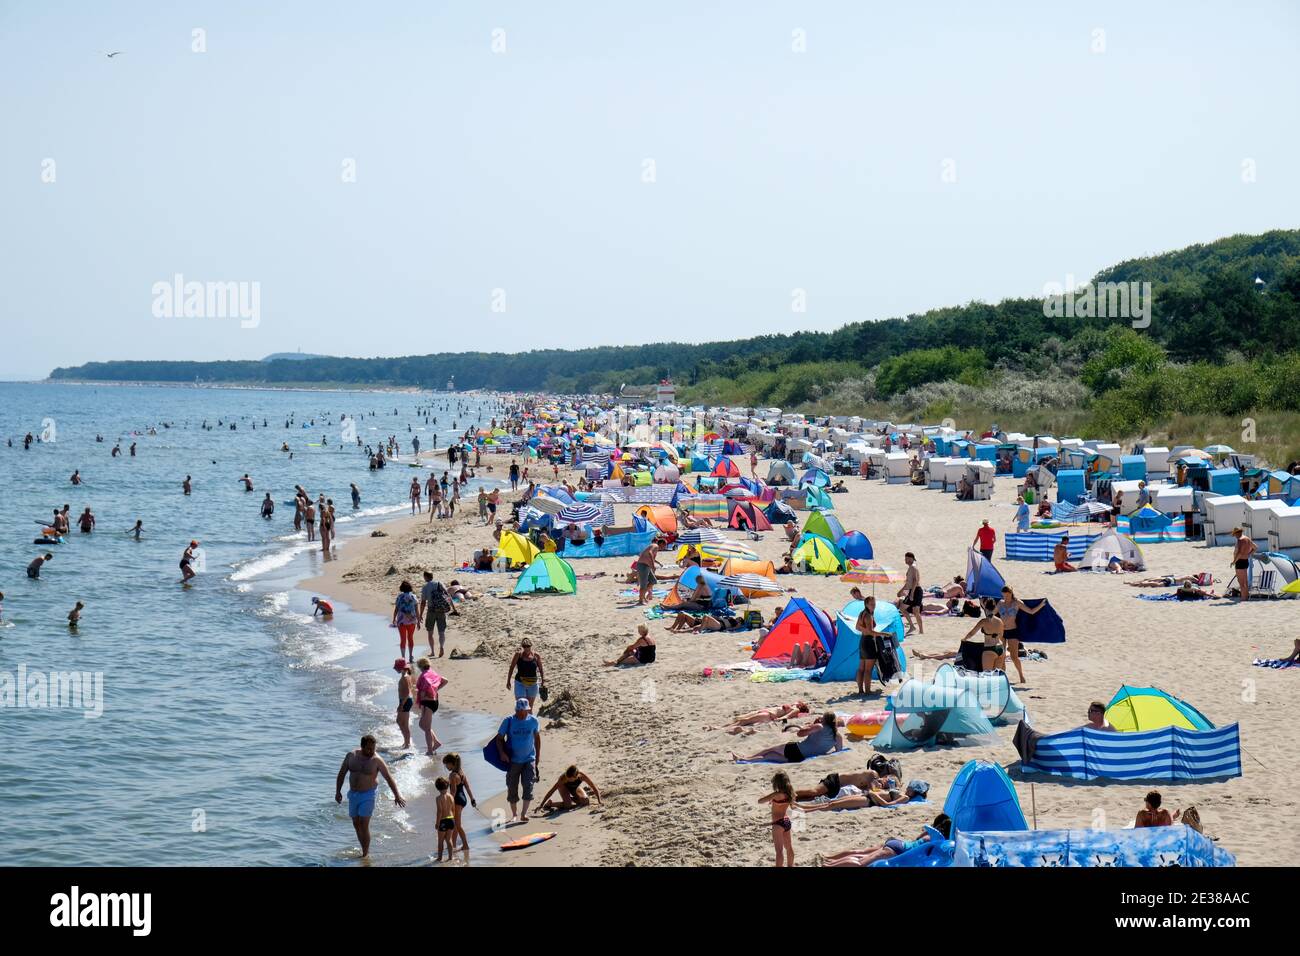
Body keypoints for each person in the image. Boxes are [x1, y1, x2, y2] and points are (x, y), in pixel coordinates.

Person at [334, 734, 406, 858]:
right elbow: (341, 774)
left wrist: (397, 795)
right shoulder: (351, 756)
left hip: (369, 794)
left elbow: (388, 778)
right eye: (368, 749)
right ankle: (363, 848)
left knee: (364, 822)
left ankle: (365, 854)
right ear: (362, 746)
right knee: (356, 823)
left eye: (373, 748)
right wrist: (338, 791)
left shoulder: (376, 760)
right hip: (353, 794)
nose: (371, 751)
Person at [820, 814, 952, 867]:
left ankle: (829, 859)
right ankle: (828, 866)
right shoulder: (938, 841)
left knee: (860, 853)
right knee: (861, 864)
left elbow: (918, 838)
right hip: (896, 851)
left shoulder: (928, 835)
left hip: (897, 843)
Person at [731, 711, 842, 764]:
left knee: (770, 749)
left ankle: (746, 758)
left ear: (824, 719)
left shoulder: (819, 726)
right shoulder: (838, 736)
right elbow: (838, 751)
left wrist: (811, 725)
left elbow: (800, 734)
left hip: (797, 749)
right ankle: (746, 760)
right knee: (770, 756)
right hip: (801, 758)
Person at [495, 698, 541, 823]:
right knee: (512, 787)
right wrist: (502, 753)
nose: (525, 713)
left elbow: (537, 738)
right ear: (517, 710)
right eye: (522, 711)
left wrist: (537, 758)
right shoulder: (508, 721)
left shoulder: (533, 721)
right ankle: (514, 814)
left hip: (529, 759)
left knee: (528, 786)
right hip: (513, 760)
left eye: (526, 710)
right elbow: (499, 739)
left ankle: (523, 814)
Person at [995, 585, 1042, 684]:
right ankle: (1003, 677)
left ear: (1011, 594)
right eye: (1003, 595)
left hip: (1013, 631)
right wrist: (983, 604)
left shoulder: (1017, 603)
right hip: (1002, 632)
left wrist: (1041, 604)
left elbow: (1031, 611)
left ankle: (1021, 675)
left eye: (1007, 595)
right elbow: (991, 613)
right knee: (1002, 655)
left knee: (1014, 657)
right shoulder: (1000, 603)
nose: (1005, 597)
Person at [798, 779, 929, 812]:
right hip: (867, 796)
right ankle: (805, 807)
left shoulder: (905, 798)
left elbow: (887, 805)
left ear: (914, 791)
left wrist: (874, 794)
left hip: (869, 801)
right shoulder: (903, 793)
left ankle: (805, 810)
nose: (908, 788)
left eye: (910, 787)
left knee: (833, 804)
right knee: (833, 802)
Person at [442, 753, 476, 860]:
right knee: (456, 824)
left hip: (456, 800)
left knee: (457, 824)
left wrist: (448, 803)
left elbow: (453, 791)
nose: (446, 766)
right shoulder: (461, 772)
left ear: (451, 764)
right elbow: (468, 787)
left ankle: (465, 844)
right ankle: (454, 845)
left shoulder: (452, 775)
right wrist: (472, 799)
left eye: (446, 764)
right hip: (463, 799)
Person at [854, 595, 890, 696]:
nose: (873, 606)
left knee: (861, 668)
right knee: (868, 670)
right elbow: (870, 632)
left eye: (874, 604)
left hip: (862, 641)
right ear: (866, 604)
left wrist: (865, 630)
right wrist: (884, 634)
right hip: (869, 642)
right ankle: (868, 691)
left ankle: (860, 690)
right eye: (871, 604)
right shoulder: (868, 616)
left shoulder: (862, 613)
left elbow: (857, 627)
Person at [759, 772, 797, 867]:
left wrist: (769, 797)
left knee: (779, 851)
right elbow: (792, 806)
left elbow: (760, 801)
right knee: (789, 848)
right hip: (786, 821)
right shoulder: (790, 793)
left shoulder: (776, 794)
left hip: (777, 823)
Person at [705, 702, 809, 733]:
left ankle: (719, 729)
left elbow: (787, 716)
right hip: (765, 711)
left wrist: (778, 719)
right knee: (740, 719)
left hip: (768, 715)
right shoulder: (794, 705)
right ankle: (720, 727)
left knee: (743, 721)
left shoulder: (796, 710)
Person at [961, 597, 1004, 672]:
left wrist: (964, 639)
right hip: (1000, 648)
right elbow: (1001, 635)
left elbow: (972, 633)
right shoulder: (1000, 621)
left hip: (989, 649)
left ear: (985, 608)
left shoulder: (983, 621)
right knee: (996, 676)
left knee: (987, 675)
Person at [415, 656, 447, 755]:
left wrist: (425, 694)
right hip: (433, 701)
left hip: (428, 702)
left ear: (420, 667)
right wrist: (435, 690)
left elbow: (426, 687)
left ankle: (430, 750)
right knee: (422, 725)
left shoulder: (424, 676)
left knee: (427, 728)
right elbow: (445, 680)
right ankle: (436, 742)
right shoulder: (433, 673)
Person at [538, 765, 603, 811]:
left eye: (569, 779)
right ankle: (550, 804)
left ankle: (569, 799)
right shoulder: (563, 779)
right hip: (563, 787)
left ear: (576, 776)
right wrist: (541, 804)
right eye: (567, 778)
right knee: (568, 806)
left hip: (575, 787)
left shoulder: (582, 776)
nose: (567, 780)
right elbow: (551, 791)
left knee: (585, 801)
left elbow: (593, 787)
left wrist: (599, 801)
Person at [419, 571, 451, 657]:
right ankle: (441, 647)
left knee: (430, 633)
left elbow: (423, 602)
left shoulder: (425, 587)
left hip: (431, 610)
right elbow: (447, 595)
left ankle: (432, 652)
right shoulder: (439, 583)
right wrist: (453, 608)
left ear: (425, 577)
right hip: (441, 610)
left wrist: (420, 615)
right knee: (441, 632)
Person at [506, 638, 545, 708]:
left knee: (529, 708)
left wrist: (543, 680)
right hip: (520, 684)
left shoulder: (536, 656)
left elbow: (541, 669)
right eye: (524, 646)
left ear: (531, 646)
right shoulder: (518, 655)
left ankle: (530, 718)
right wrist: (508, 681)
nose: (526, 648)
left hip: (533, 684)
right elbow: (511, 667)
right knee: (522, 707)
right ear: (522, 647)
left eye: (528, 646)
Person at [392, 580, 419, 661]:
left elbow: (396, 609)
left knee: (403, 639)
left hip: (401, 621)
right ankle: (410, 656)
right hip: (412, 620)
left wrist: (394, 618)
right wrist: (418, 620)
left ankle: (403, 657)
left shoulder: (399, 597)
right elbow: (416, 609)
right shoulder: (413, 596)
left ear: (402, 588)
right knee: (410, 638)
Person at [898, 552, 923, 635]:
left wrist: (912, 593)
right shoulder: (910, 568)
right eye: (905, 559)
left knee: (909, 609)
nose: (906, 560)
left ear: (912, 558)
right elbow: (908, 583)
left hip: (916, 590)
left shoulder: (913, 567)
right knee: (911, 610)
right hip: (914, 590)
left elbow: (915, 580)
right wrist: (901, 591)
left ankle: (917, 628)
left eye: (907, 558)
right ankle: (916, 628)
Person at [433, 777, 457, 862]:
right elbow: (453, 809)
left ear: (437, 788)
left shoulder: (438, 798)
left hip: (443, 821)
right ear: (447, 786)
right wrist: (453, 819)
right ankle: (450, 857)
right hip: (451, 820)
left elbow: (439, 811)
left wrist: (437, 823)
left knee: (440, 841)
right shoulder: (451, 796)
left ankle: (440, 858)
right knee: (448, 839)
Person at [1230, 527, 1256, 601]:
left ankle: (1243, 598)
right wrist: (1249, 554)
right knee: (1245, 581)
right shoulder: (1247, 539)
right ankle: (1246, 596)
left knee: (1241, 582)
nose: (1235, 536)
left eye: (1235, 534)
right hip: (1245, 561)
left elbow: (1239, 553)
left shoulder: (1240, 540)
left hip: (1240, 561)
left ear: (1236, 533)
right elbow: (1255, 547)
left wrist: (1234, 562)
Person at [634, 539, 662, 606]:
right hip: (643, 565)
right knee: (643, 584)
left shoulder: (654, 547)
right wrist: (652, 565)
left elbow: (645, 554)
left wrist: (655, 564)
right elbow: (650, 553)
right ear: (662, 544)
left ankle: (643, 596)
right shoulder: (655, 546)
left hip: (646, 566)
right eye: (665, 546)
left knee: (653, 581)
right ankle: (640, 600)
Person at [394, 659, 414, 750]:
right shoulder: (407, 675)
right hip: (406, 700)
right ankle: (406, 742)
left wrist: (401, 705)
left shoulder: (405, 677)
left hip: (405, 701)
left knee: (400, 722)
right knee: (403, 723)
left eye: (396, 667)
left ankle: (407, 743)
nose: (395, 669)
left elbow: (406, 692)